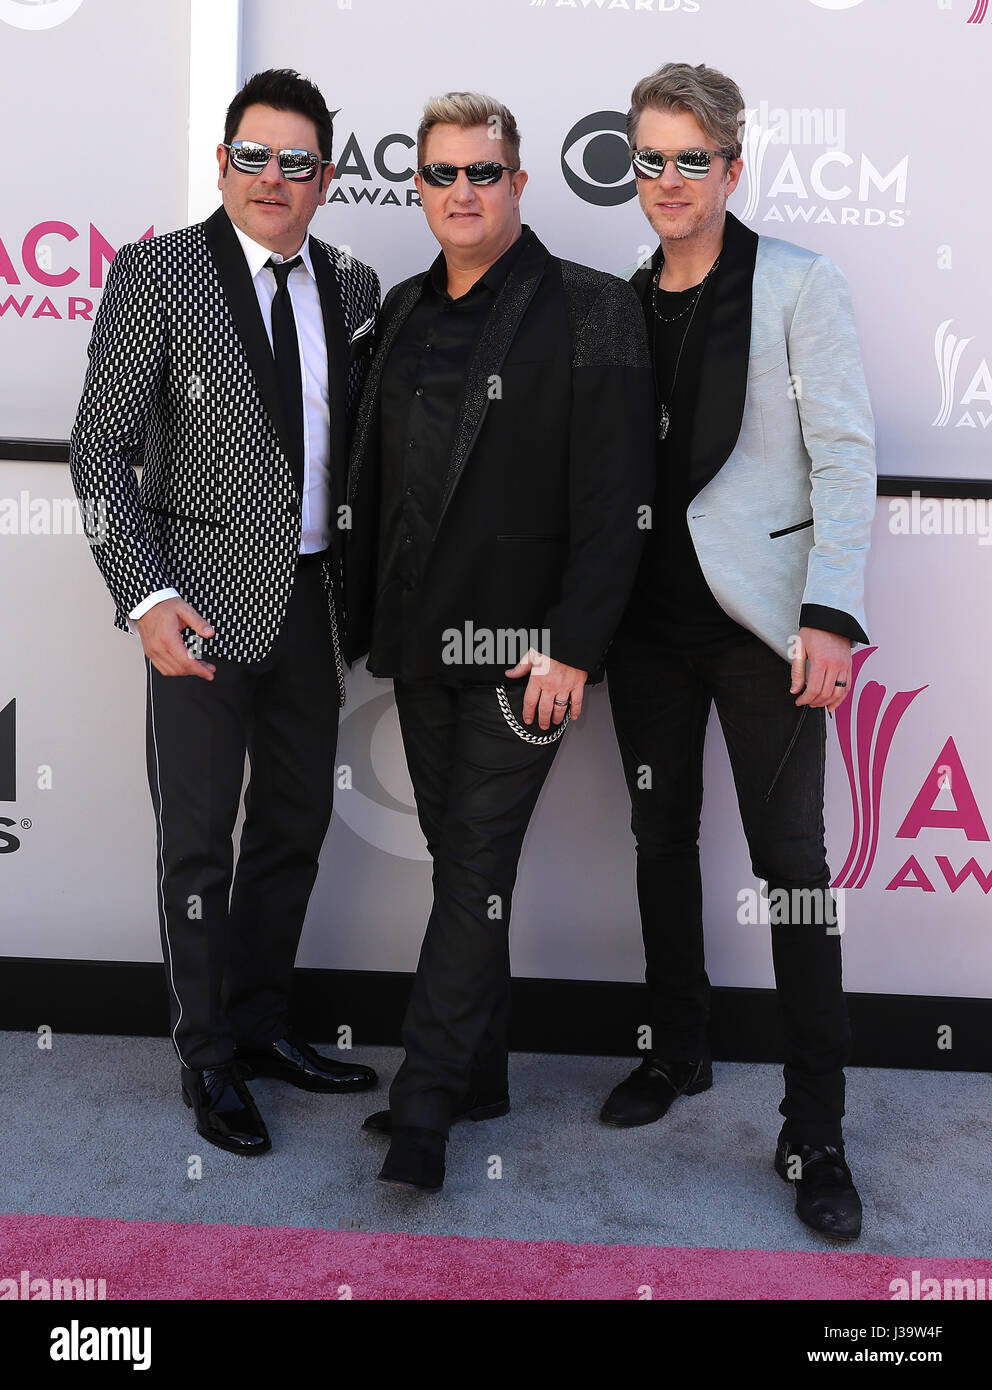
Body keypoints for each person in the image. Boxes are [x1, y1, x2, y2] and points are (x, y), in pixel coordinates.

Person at [344, 92, 655, 1192]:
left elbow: (619, 497)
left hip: (526, 655)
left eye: (483, 173)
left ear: (520, 184)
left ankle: (425, 1104)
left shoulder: (592, 308)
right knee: (465, 872)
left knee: (473, 862)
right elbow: (377, 482)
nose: (461, 193)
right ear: (418, 186)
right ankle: (479, 1072)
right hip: (417, 645)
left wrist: (572, 647)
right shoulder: (403, 310)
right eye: (441, 175)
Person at [69, 68, 381, 1156]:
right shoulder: (155, 273)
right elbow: (97, 447)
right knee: (197, 844)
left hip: (313, 607)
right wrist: (145, 597)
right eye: (253, 155)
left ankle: (257, 1027)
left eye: (297, 161)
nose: (272, 178)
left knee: (292, 829)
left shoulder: (354, 284)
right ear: (222, 162)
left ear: (326, 179)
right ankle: (206, 1059)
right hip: (191, 610)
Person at [601, 63, 875, 1240]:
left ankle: (814, 1127)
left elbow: (845, 455)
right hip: (647, 633)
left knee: (795, 875)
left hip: (767, 630)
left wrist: (829, 613)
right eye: (647, 159)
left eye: (689, 159)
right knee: (658, 840)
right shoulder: (620, 297)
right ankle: (679, 1049)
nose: (667, 180)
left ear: (730, 165)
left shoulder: (795, 287)